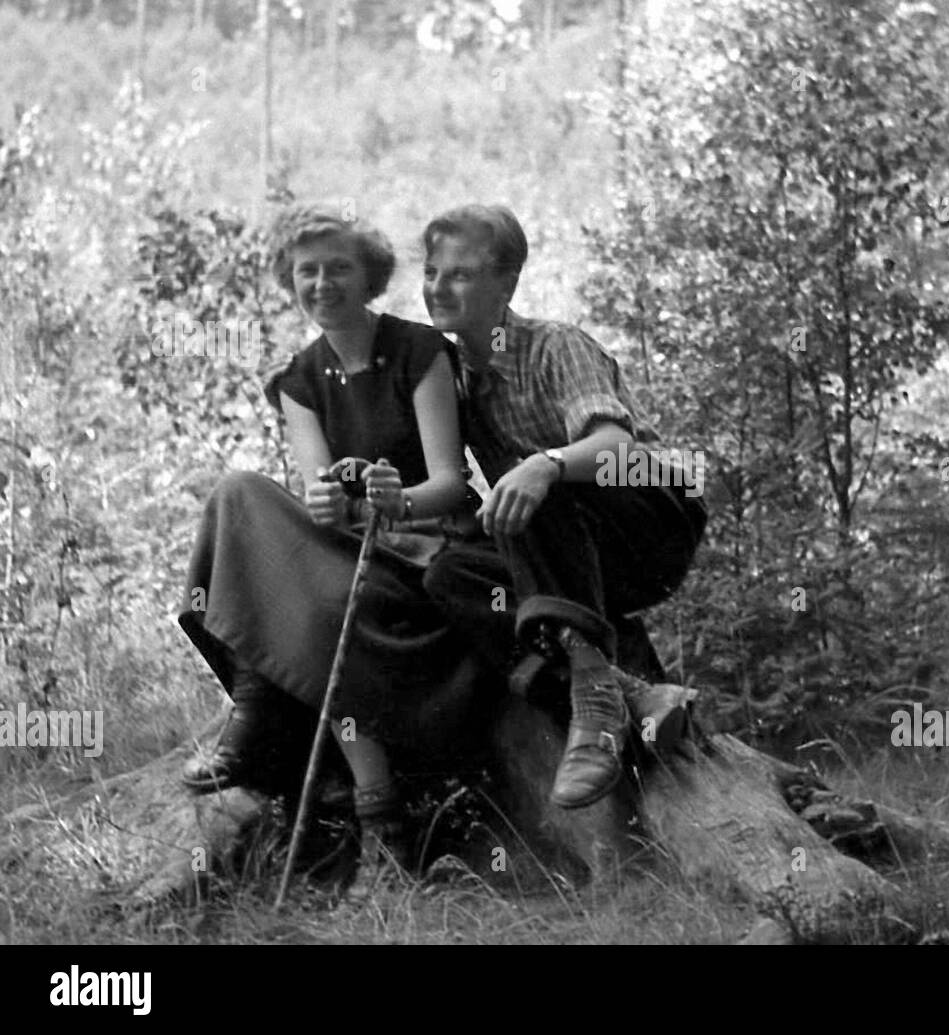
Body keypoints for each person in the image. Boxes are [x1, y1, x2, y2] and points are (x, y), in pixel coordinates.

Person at [178, 205, 482, 895]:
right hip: (347, 549)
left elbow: (451, 483)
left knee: (321, 606)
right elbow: (324, 494)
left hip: (426, 556)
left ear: (368, 274)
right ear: (290, 279)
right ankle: (257, 703)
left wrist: (394, 497)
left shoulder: (419, 351)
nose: (322, 283)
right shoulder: (298, 378)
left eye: (338, 267)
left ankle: (383, 828)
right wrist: (331, 501)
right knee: (237, 492)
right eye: (306, 271)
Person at [419, 204, 708, 811]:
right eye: (430, 272)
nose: (438, 288)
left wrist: (543, 464)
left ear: (508, 283)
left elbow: (615, 448)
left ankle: (600, 706)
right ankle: (623, 693)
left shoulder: (555, 346)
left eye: (461, 274)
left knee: (537, 485)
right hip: (568, 553)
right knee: (452, 575)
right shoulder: (452, 383)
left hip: (647, 523)